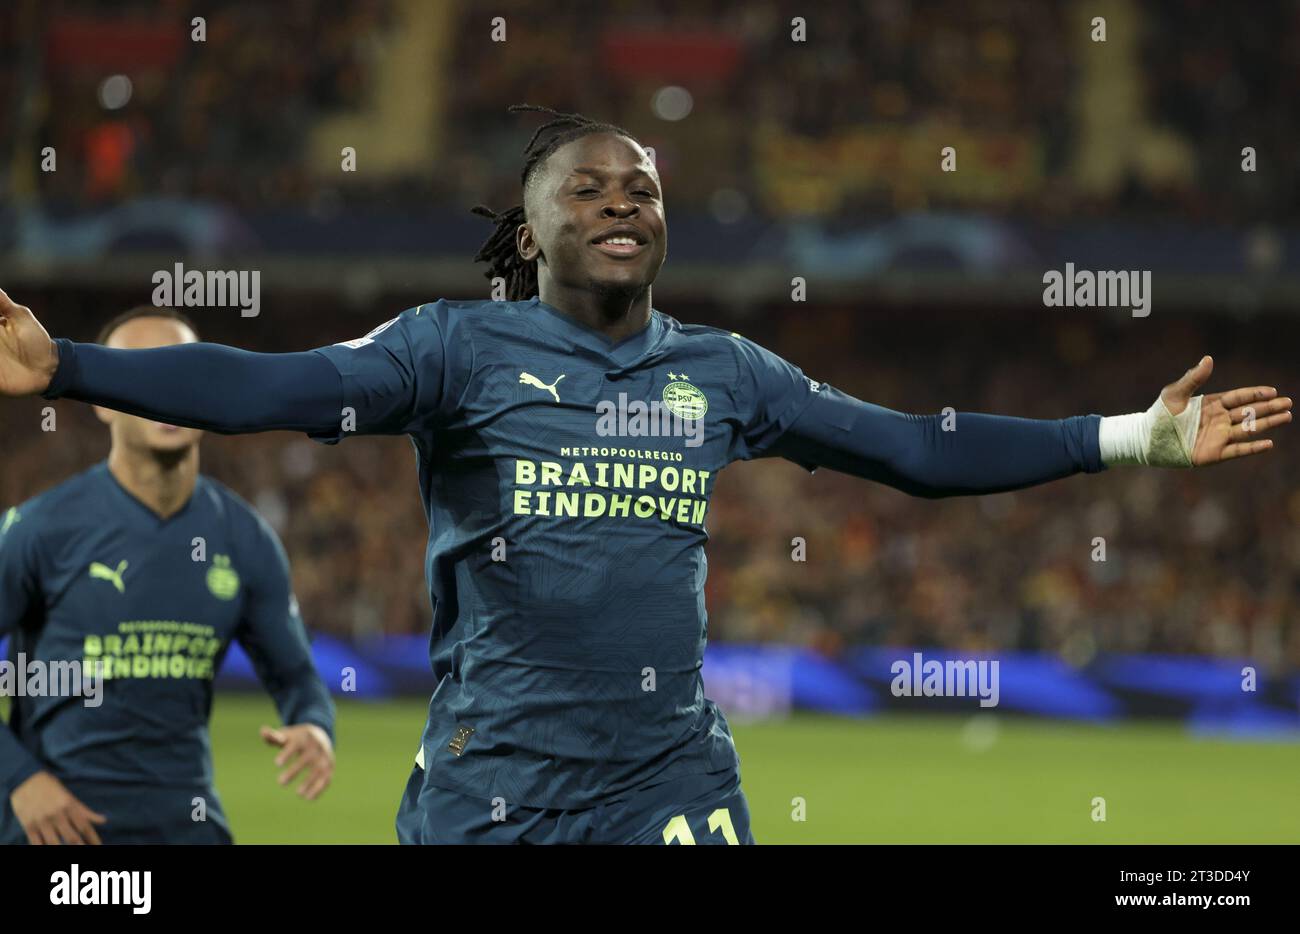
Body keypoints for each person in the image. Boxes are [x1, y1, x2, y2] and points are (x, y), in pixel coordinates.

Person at [0, 106, 1289, 844]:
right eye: (588, 188)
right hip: (488, 794)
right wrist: (67, 366)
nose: (622, 202)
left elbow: (913, 445)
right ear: (532, 226)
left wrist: (1131, 434)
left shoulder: (724, 373)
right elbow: (270, 386)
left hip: (669, 791)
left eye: (644, 189)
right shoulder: (450, 349)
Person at [0, 307, 336, 845]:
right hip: (56, 831)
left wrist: (315, 726)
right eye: (143, 372)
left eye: (180, 372)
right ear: (104, 405)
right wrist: (18, 781)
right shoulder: (39, 530)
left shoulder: (245, 539)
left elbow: (296, 677)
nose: (165, 390)